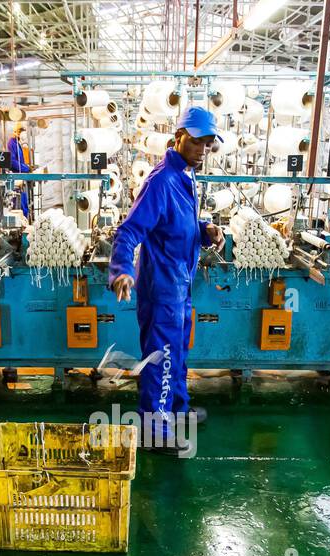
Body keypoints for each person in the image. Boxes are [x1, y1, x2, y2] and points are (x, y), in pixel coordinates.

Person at [109, 106, 224, 456]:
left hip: (180, 283)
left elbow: (178, 225)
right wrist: (121, 270)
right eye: (195, 142)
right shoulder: (161, 181)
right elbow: (129, 231)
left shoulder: (186, 177)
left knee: (178, 353)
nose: (202, 150)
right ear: (178, 138)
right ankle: (155, 431)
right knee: (161, 357)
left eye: (207, 144)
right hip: (162, 288)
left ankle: (177, 409)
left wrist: (205, 231)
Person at [7, 121, 31, 218]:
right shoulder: (12, 143)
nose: (23, 133)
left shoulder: (18, 144)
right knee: (19, 205)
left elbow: (19, 160)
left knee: (24, 204)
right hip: (16, 179)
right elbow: (12, 162)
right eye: (21, 130)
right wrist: (26, 168)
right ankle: (22, 222)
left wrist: (26, 167)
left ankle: (25, 219)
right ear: (16, 132)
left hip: (21, 177)